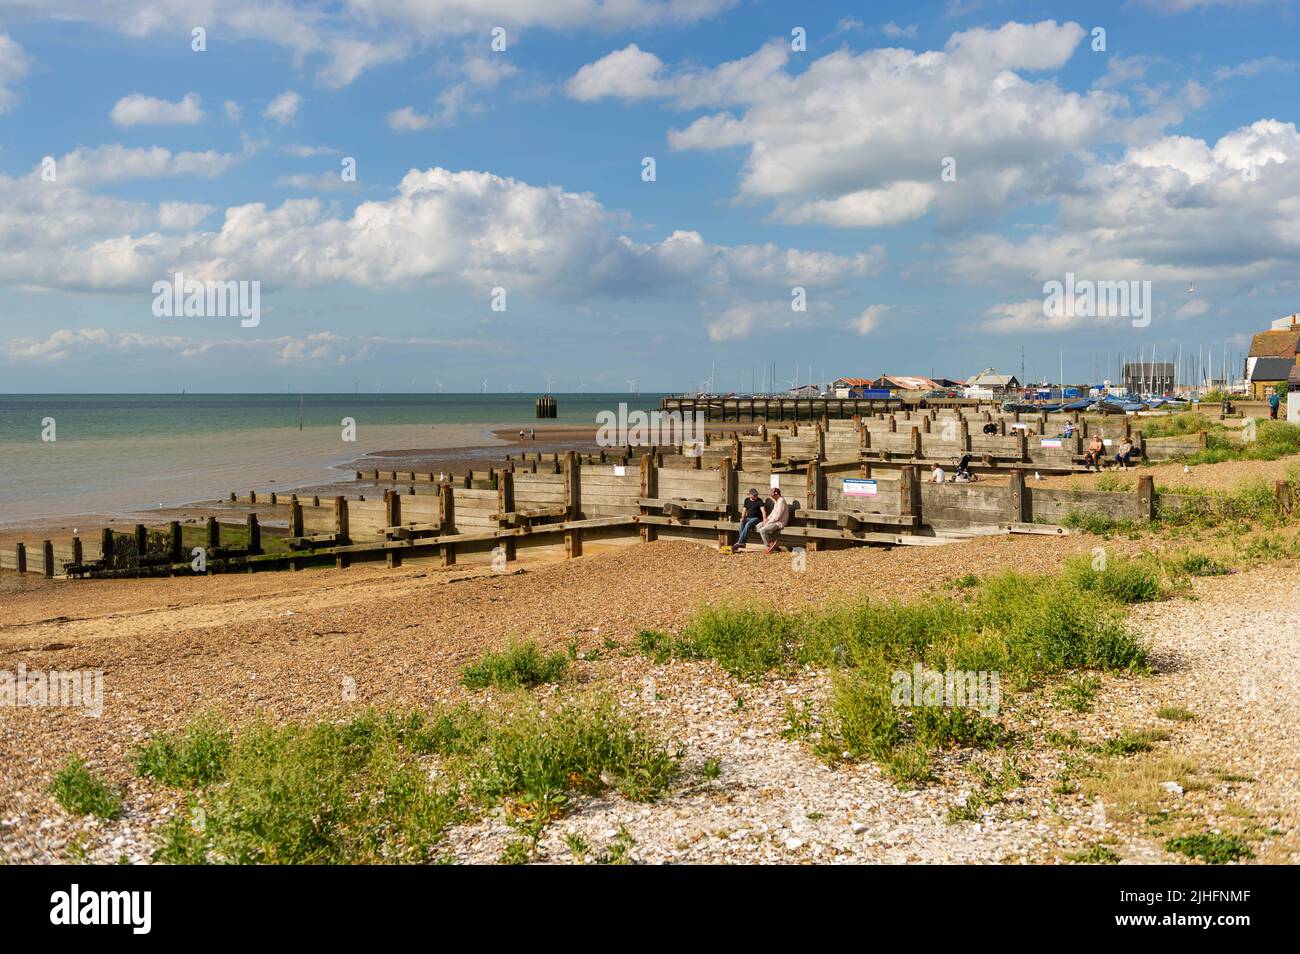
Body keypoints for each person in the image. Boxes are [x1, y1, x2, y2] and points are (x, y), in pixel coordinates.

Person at [758, 487, 790, 554]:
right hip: (774, 520)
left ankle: (768, 546)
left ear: (777, 494)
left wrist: (768, 522)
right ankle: (772, 541)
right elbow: (773, 512)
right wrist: (767, 519)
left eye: (772, 495)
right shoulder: (777, 500)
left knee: (762, 530)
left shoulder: (781, 501)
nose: (772, 496)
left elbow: (778, 516)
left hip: (780, 522)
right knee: (758, 526)